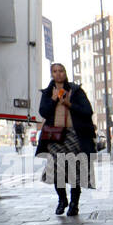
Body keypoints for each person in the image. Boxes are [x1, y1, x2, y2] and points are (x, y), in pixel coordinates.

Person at [36, 63, 97, 215]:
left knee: (75, 171)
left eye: (61, 71)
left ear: (65, 72)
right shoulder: (48, 92)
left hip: (74, 135)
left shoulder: (75, 91)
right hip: (54, 136)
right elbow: (43, 112)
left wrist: (69, 104)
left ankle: (74, 204)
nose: (58, 74)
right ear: (51, 74)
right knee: (57, 171)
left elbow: (87, 111)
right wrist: (54, 99)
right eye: (55, 71)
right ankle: (62, 200)